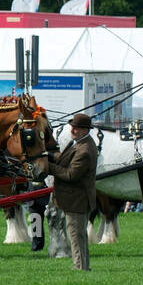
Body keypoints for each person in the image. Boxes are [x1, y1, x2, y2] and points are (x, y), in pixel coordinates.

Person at [35, 112, 97, 271]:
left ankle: (80, 267)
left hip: (77, 200)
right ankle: (83, 266)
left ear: (85, 130)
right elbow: (63, 158)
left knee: (76, 237)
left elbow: (71, 174)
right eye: (72, 127)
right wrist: (48, 156)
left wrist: (48, 167)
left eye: (76, 128)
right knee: (79, 236)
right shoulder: (79, 143)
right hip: (74, 198)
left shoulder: (85, 150)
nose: (72, 130)